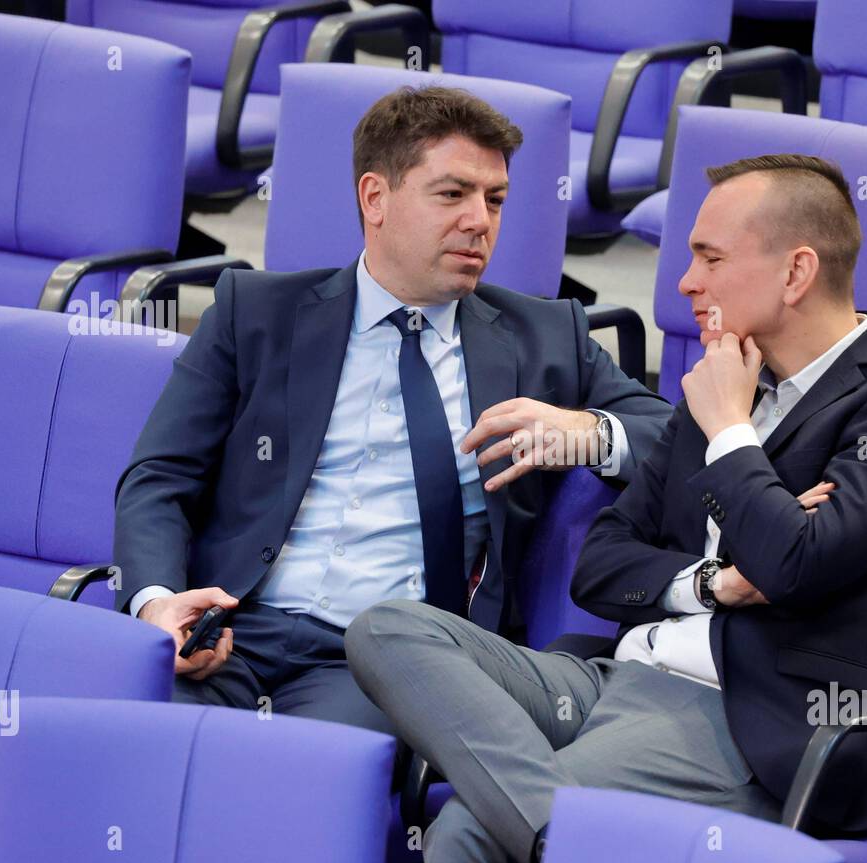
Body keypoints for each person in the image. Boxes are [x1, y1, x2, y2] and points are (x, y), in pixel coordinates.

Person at [344, 153, 867, 863]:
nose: (685, 282)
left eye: (709, 257)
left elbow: (794, 565)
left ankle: (552, 840)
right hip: (614, 679)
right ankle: (563, 840)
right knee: (387, 630)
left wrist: (734, 433)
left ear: (796, 273)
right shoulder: (718, 382)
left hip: (743, 718)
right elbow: (602, 563)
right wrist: (712, 581)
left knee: (471, 834)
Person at [112, 86, 671, 731]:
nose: (479, 221)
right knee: (127, 742)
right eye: (452, 194)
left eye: (495, 200)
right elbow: (158, 477)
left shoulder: (547, 338)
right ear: (375, 198)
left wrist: (587, 431)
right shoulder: (256, 312)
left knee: (298, 779)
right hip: (228, 629)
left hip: (382, 659)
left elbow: (676, 438)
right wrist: (157, 603)